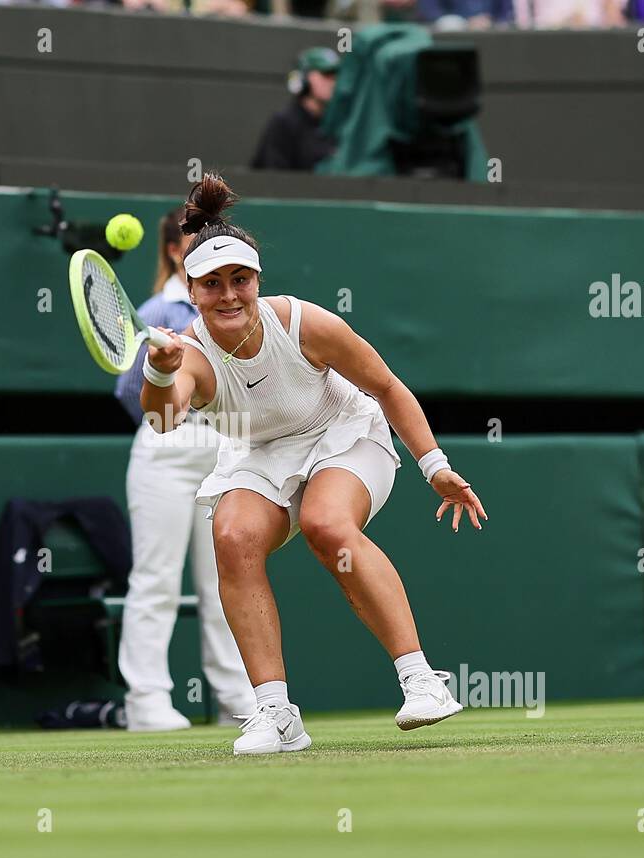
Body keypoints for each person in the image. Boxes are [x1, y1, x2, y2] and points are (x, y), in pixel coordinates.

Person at [139, 173, 488, 755]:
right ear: (191, 290)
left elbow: (387, 386)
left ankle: (421, 679)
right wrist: (159, 370)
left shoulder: (305, 324)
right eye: (212, 283)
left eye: (240, 280)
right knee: (232, 536)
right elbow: (162, 420)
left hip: (343, 435)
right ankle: (276, 713)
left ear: (257, 281)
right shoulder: (192, 355)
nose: (228, 295)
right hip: (258, 452)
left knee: (328, 526)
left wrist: (435, 467)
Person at [113, 208, 256, 732]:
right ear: (176, 253)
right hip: (165, 456)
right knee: (156, 581)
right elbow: (132, 391)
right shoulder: (156, 309)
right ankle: (146, 702)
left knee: (228, 580)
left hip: (226, 452)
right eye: (197, 246)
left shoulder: (238, 311)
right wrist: (174, 403)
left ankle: (239, 700)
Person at [250, 47, 340, 172]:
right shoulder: (283, 123)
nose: (333, 82)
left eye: (335, 76)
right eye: (326, 75)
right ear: (305, 78)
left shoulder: (339, 124)